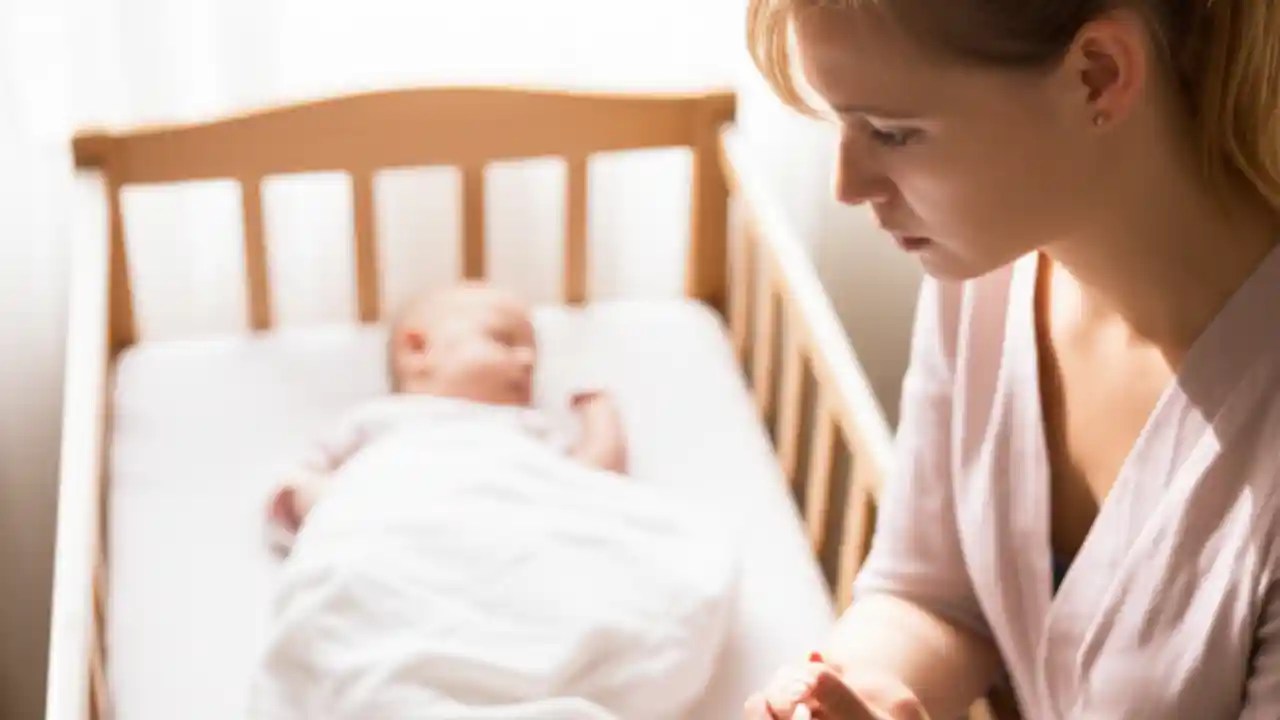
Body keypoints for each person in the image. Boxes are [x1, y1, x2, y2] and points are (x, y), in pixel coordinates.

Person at [743, 1, 1280, 718]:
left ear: (1098, 76)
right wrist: (858, 693)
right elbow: (933, 595)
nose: (848, 185)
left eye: (892, 133)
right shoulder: (987, 270)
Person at [266, 282, 627, 545]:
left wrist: (601, 416)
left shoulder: (530, 428)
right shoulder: (376, 420)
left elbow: (588, 486)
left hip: (509, 537)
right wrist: (339, 506)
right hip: (398, 531)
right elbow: (298, 481)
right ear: (418, 349)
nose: (528, 361)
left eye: (532, 352)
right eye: (504, 340)